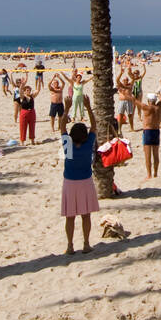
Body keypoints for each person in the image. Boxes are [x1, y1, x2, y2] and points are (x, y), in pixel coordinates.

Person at [61, 95, 99, 254]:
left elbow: (61, 127)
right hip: (85, 182)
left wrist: (67, 108)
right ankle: (86, 243)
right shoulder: (88, 144)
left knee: (70, 217)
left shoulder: (68, 146)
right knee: (85, 215)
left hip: (70, 183)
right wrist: (89, 107)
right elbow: (94, 126)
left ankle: (70, 246)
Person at [135, 90, 161, 179]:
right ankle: (156, 172)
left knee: (147, 155)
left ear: (148, 100)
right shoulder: (158, 107)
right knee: (156, 154)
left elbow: (134, 100)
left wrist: (127, 93)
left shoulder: (146, 108)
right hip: (156, 131)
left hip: (148, 131)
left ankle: (149, 174)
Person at [115, 67, 136, 133]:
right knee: (120, 115)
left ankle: (132, 128)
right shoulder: (120, 85)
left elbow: (133, 79)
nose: (125, 81)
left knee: (130, 115)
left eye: (126, 80)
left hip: (128, 101)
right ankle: (119, 129)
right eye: (124, 80)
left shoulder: (130, 85)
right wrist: (121, 73)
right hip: (121, 101)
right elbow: (117, 79)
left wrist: (129, 72)